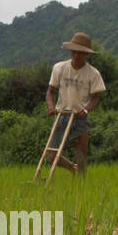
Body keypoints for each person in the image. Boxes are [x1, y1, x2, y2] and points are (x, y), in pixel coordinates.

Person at [45, 32, 106, 173]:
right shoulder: (59, 68)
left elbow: (95, 98)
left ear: (87, 54)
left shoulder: (93, 73)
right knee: (51, 156)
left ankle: (81, 184)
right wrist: (50, 106)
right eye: (74, 52)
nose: (77, 56)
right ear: (70, 51)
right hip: (61, 116)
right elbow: (50, 91)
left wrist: (86, 110)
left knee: (81, 154)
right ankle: (72, 168)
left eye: (81, 53)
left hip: (80, 118)